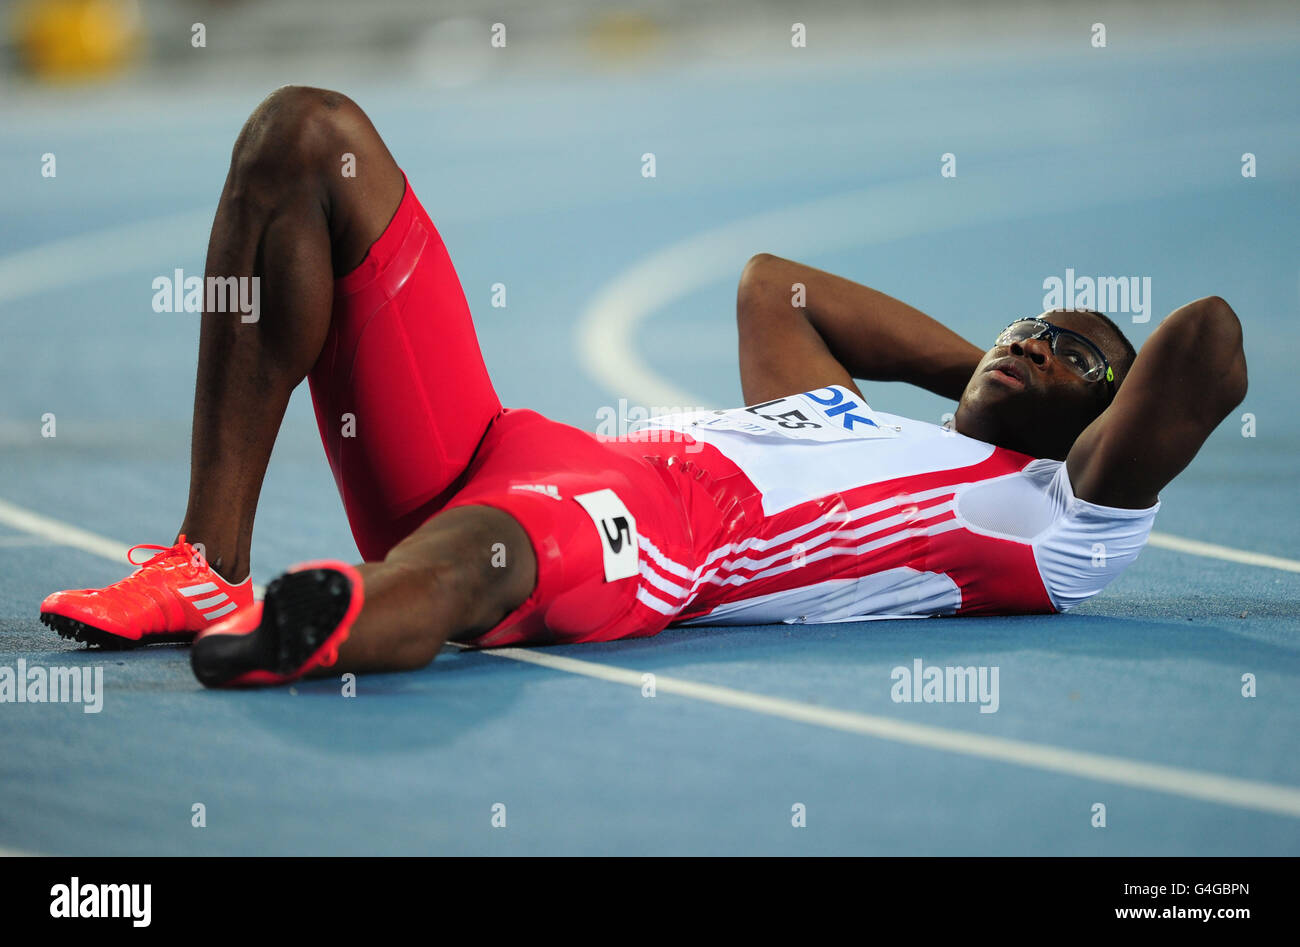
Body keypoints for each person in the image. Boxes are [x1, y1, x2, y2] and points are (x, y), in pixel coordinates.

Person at [38, 86, 1248, 688]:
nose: (1038, 339)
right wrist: (990, 365)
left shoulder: (1053, 524)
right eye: (1034, 322)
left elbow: (1207, 343)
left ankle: (325, 625)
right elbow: (775, 287)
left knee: (460, 569)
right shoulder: (841, 414)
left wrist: (1068, 419)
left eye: (1072, 351)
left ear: (1101, 423)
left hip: (651, 540)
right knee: (308, 137)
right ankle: (206, 564)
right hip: (505, 443)